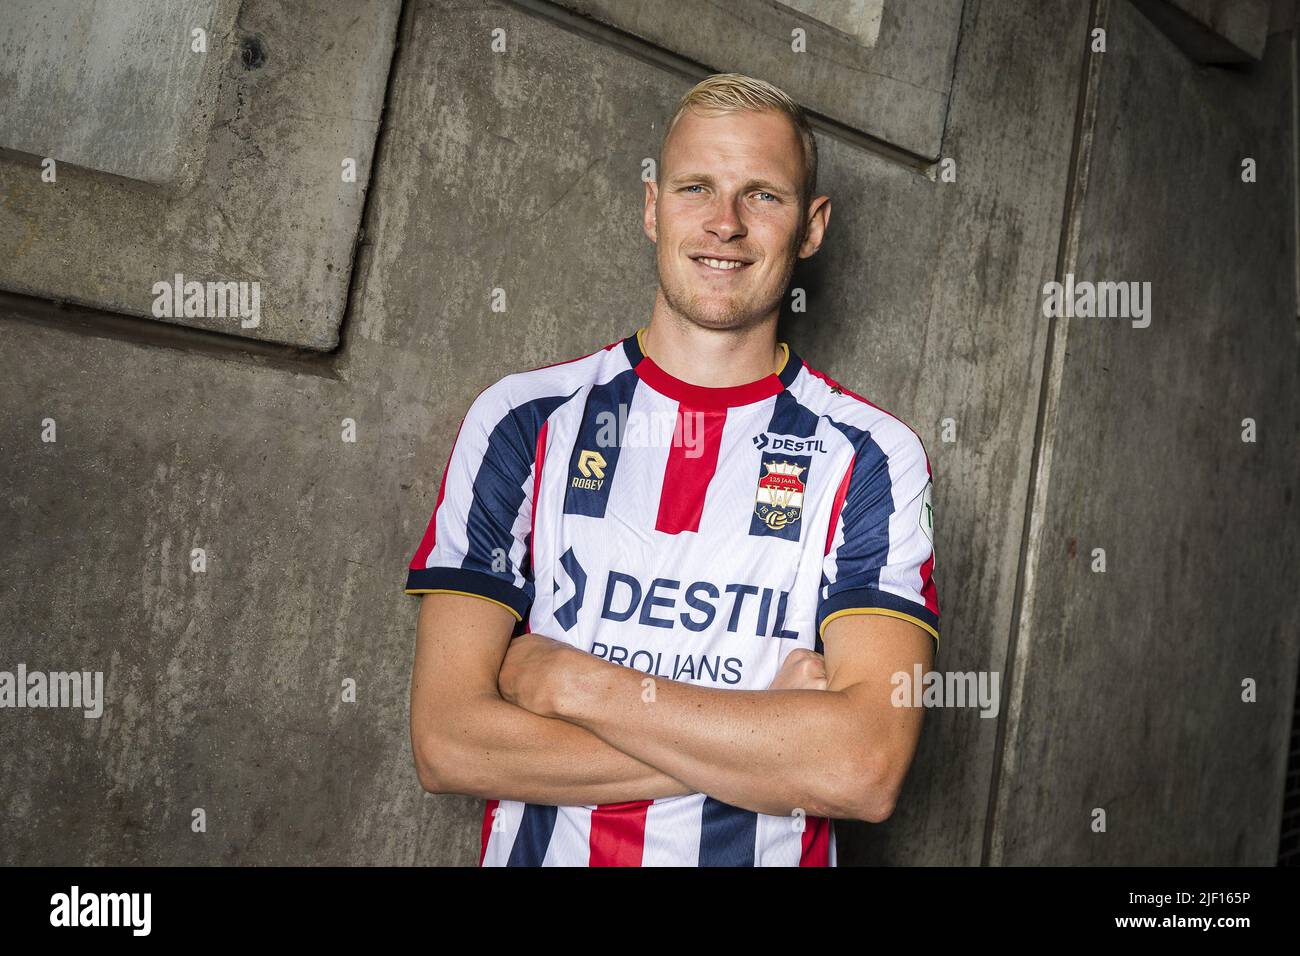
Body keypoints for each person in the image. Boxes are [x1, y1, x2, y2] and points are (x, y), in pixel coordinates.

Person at [404, 73, 939, 866]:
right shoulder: (521, 420)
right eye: (697, 188)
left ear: (812, 226)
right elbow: (449, 744)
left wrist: (573, 686)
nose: (724, 224)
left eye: (762, 195)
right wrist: (768, 737)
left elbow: (862, 768)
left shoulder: (872, 456)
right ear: (653, 205)